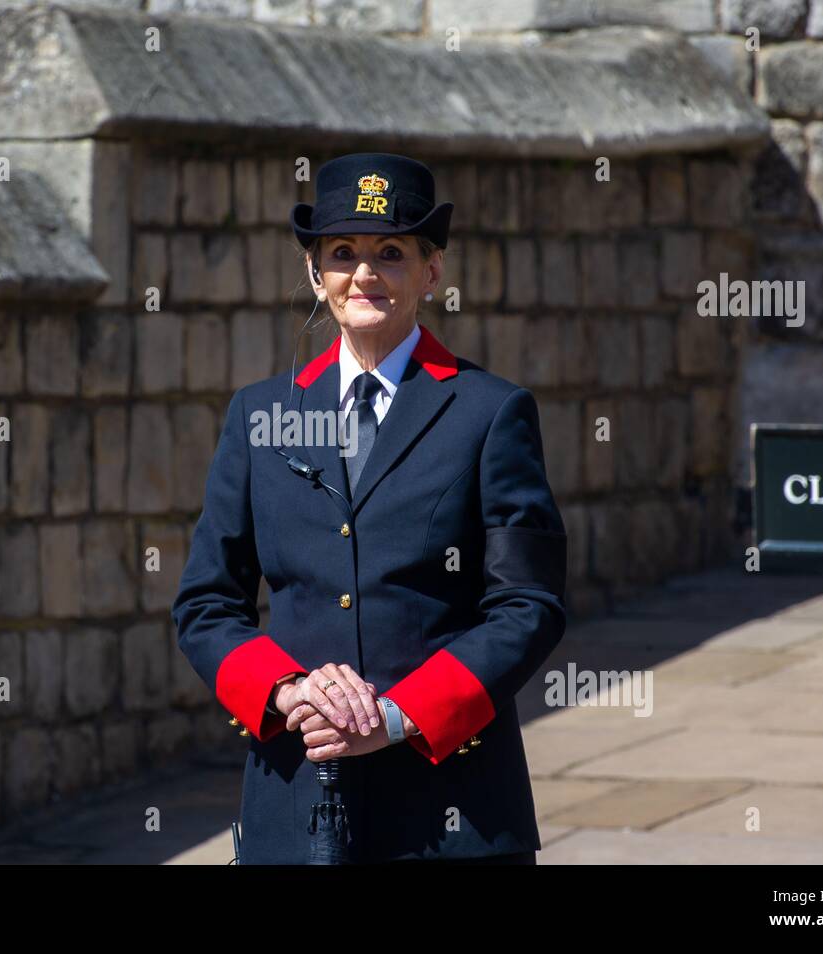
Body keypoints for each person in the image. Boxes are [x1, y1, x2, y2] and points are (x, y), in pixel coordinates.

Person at [171, 152, 567, 864]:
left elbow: (528, 604)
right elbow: (206, 603)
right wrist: (287, 693)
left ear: (430, 272)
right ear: (317, 276)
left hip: (453, 807)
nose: (365, 272)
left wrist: (395, 716)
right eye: (343, 252)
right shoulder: (260, 415)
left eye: (391, 252)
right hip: (295, 798)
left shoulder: (491, 412)